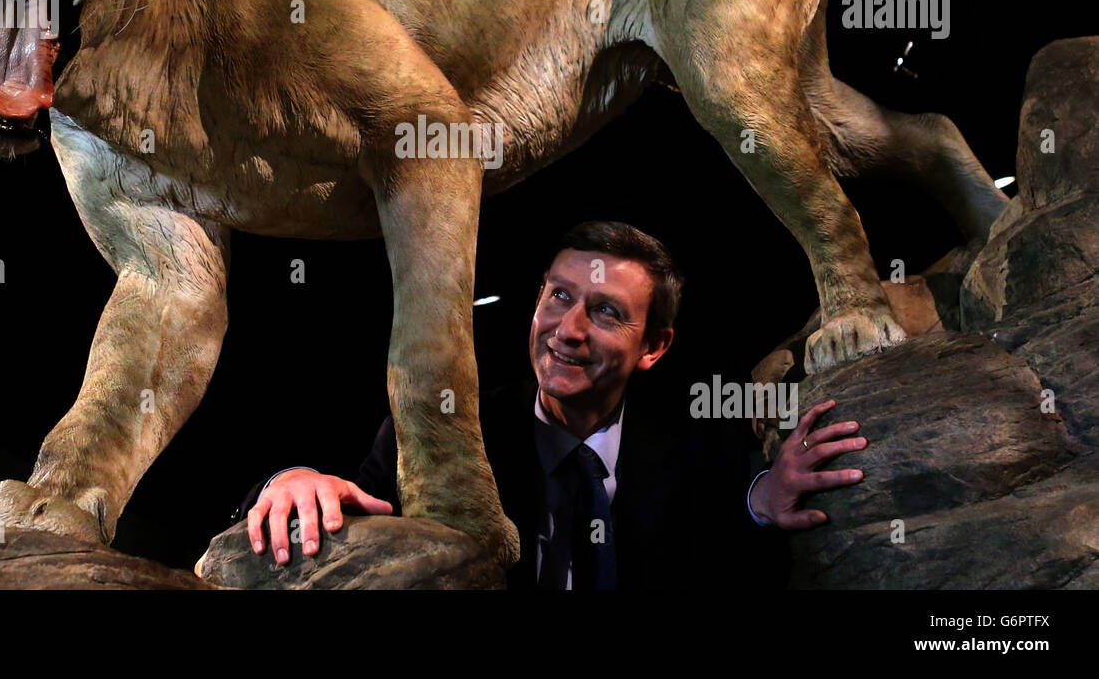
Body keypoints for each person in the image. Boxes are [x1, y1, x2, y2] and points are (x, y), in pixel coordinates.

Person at [235, 220, 868, 589]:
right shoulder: (450, 429)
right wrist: (290, 478)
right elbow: (354, 496)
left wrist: (767, 496)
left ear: (654, 346)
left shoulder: (696, 438)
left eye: (605, 312)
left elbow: (734, 516)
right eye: (558, 298)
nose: (568, 330)